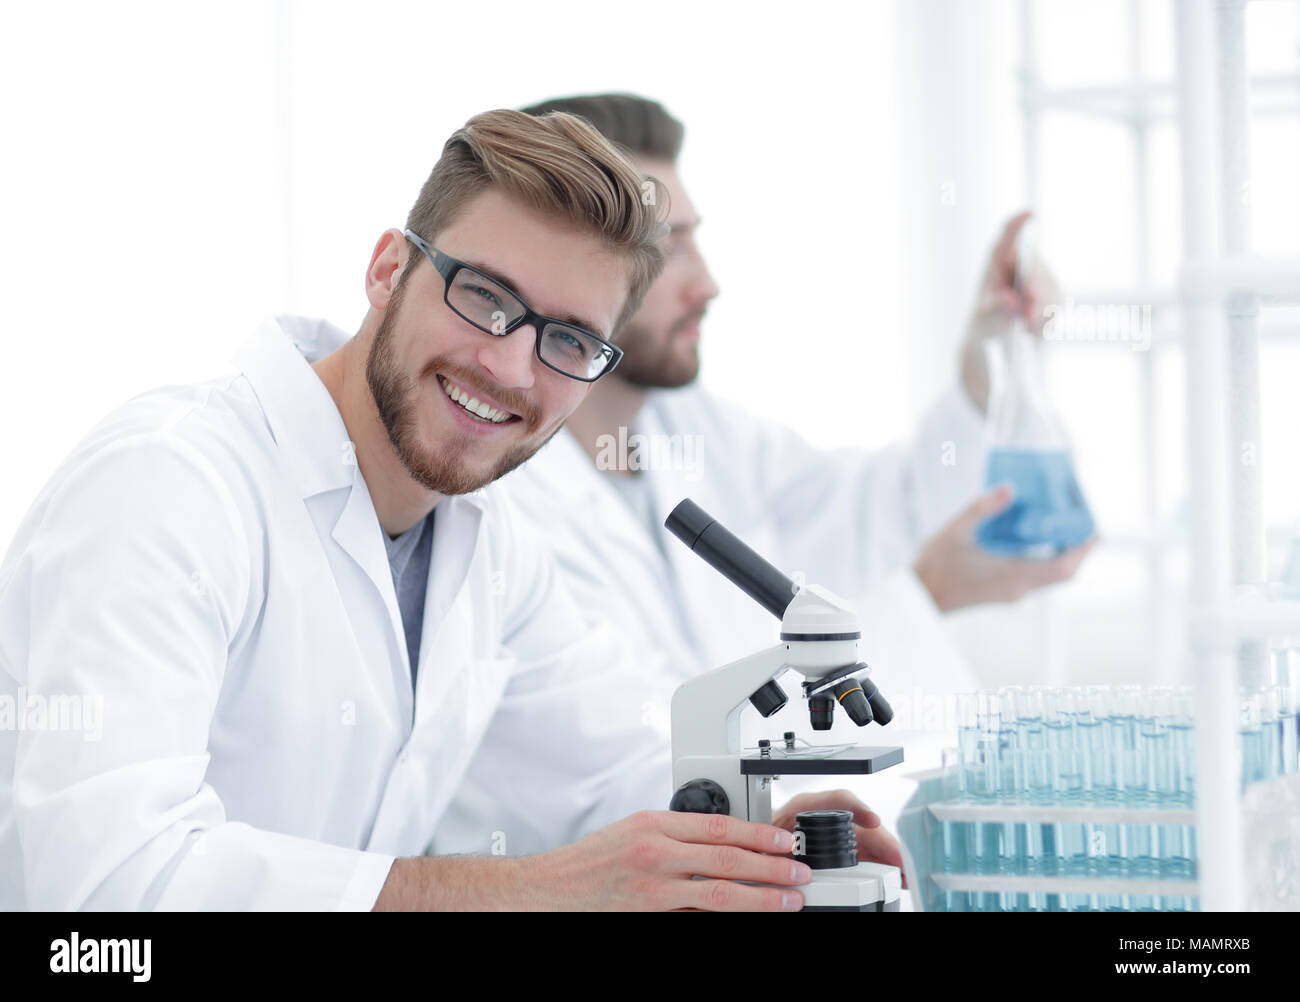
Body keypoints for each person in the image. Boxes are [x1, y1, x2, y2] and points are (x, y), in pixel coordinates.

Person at [0, 108, 897, 912]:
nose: (511, 368)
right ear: (388, 269)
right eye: (485, 298)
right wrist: (541, 891)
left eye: (570, 340)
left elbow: (605, 772)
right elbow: (107, 883)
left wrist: (757, 839)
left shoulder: (491, 543)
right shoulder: (171, 486)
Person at [432, 94, 1097, 859]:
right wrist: (930, 592)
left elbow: (875, 511)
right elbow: (650, 754)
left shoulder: (699, 432)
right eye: (668, 247)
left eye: (695, 242)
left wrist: (986, 368)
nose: (707, 284)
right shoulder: (498, 503)